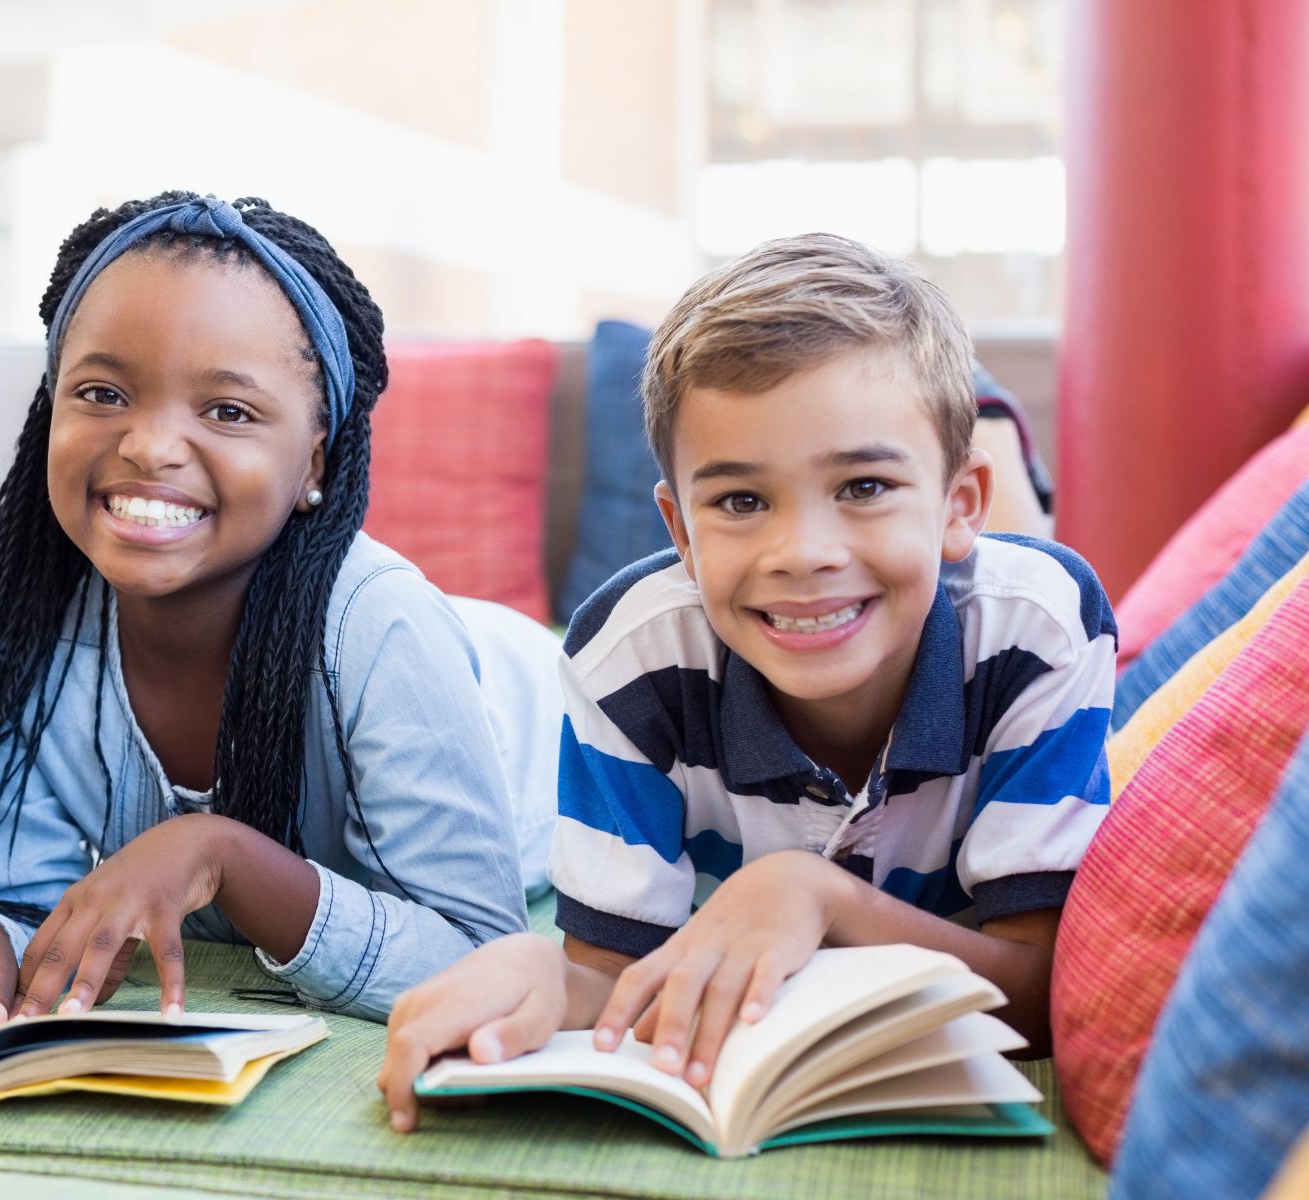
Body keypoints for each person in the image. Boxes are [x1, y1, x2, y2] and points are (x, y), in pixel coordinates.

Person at [380, 233, 1115, 1131]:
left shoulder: (1038, 628)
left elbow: (1047, 1001)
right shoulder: (629, 659)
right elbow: (615, 977)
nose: (802, 554)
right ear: (680, 531)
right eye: (739, 502)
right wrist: (542, 977)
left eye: (865, 486)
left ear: (962, 503)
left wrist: (817, 895)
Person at [0, 192, 559, 1040]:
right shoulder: (21, 623)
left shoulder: (383, 629)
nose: (150, 445)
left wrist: (219, 855)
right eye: (102, 392)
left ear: (315, 458)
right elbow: (25, 894)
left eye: (227, 410)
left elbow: (481, 957)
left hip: (530, 716)